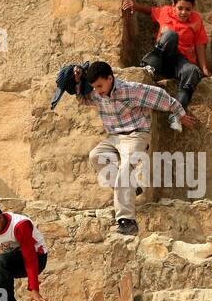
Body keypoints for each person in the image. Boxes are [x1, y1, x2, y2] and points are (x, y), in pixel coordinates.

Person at [78, 60, 198, 237]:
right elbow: (83, 99)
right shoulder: (98, 94)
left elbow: (160, 96)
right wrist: (76, 83)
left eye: (100, 86)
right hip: (115, 138)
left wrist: (179, 113)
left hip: (136, 135)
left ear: (110, 78)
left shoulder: (131, 90)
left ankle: (127, 221)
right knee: (96, 156)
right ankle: (131, 188)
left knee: (125, 170)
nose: (97, 91)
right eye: (94, 87)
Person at [122, 0, 210, 117]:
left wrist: (204, 68)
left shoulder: (196, 20)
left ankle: (177, 112)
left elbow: (199, 44)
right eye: (180, 8)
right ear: (173, 6)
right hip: (162, 59)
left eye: (188, 9)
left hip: (181, 62)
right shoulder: (165, 12)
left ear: (193, 8)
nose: (183, 12)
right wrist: (135, 6)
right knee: (170, 35)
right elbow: (150, 10)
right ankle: (149, 67)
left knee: (193, 71)